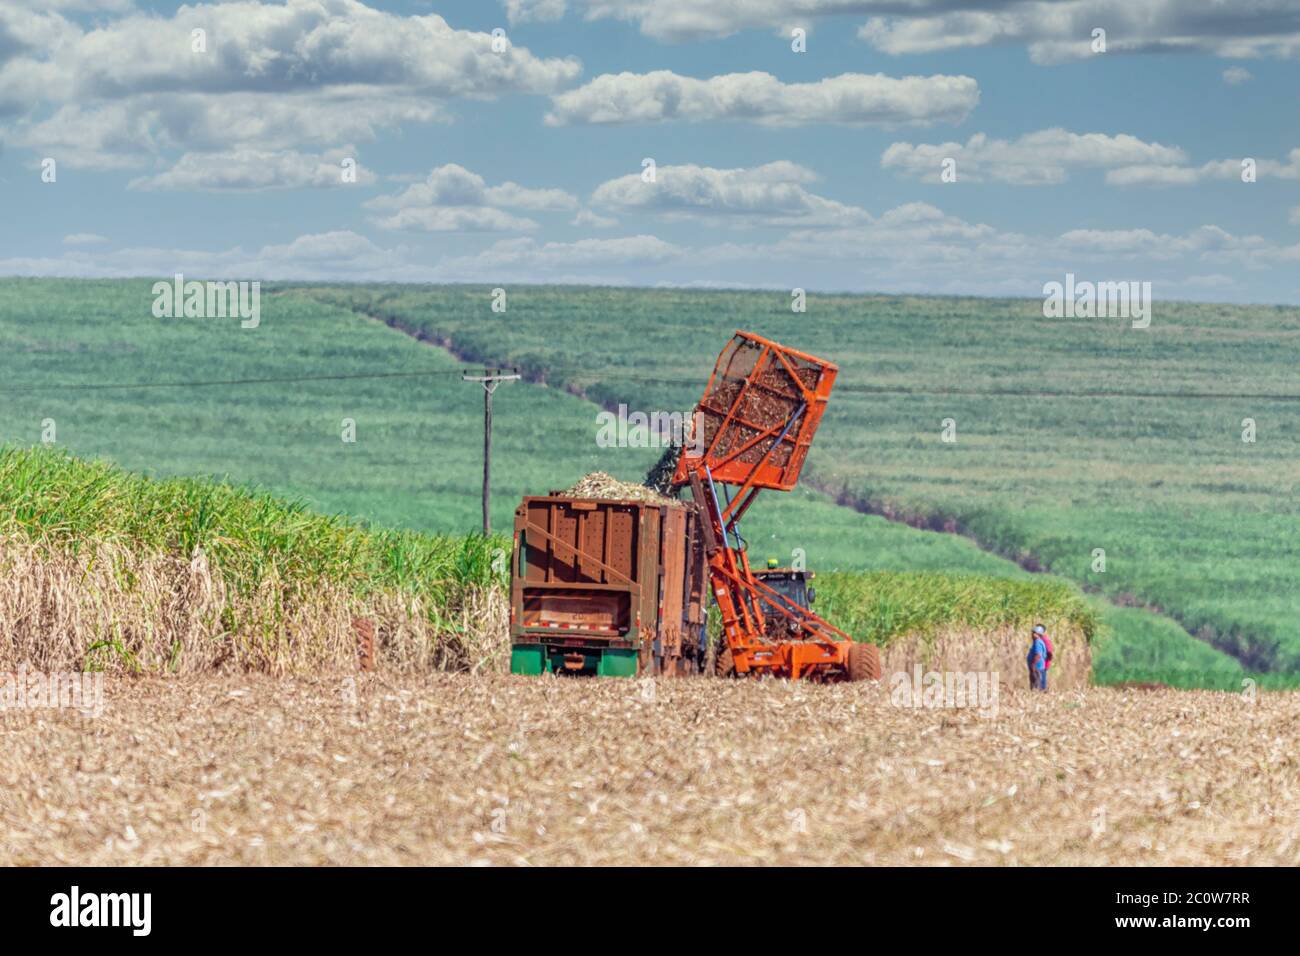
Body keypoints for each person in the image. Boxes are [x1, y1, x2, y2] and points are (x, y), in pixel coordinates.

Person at [1027, 624, 1049, 691]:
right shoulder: (1039, 642)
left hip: (1037, 667)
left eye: (1034, 633)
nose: (1032, 634)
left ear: (1038, 634)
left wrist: (1033, 665)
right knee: (1037, 684)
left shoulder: (1037, 642)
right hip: (1039, 667)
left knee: (1035, 686)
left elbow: (1038, 655)